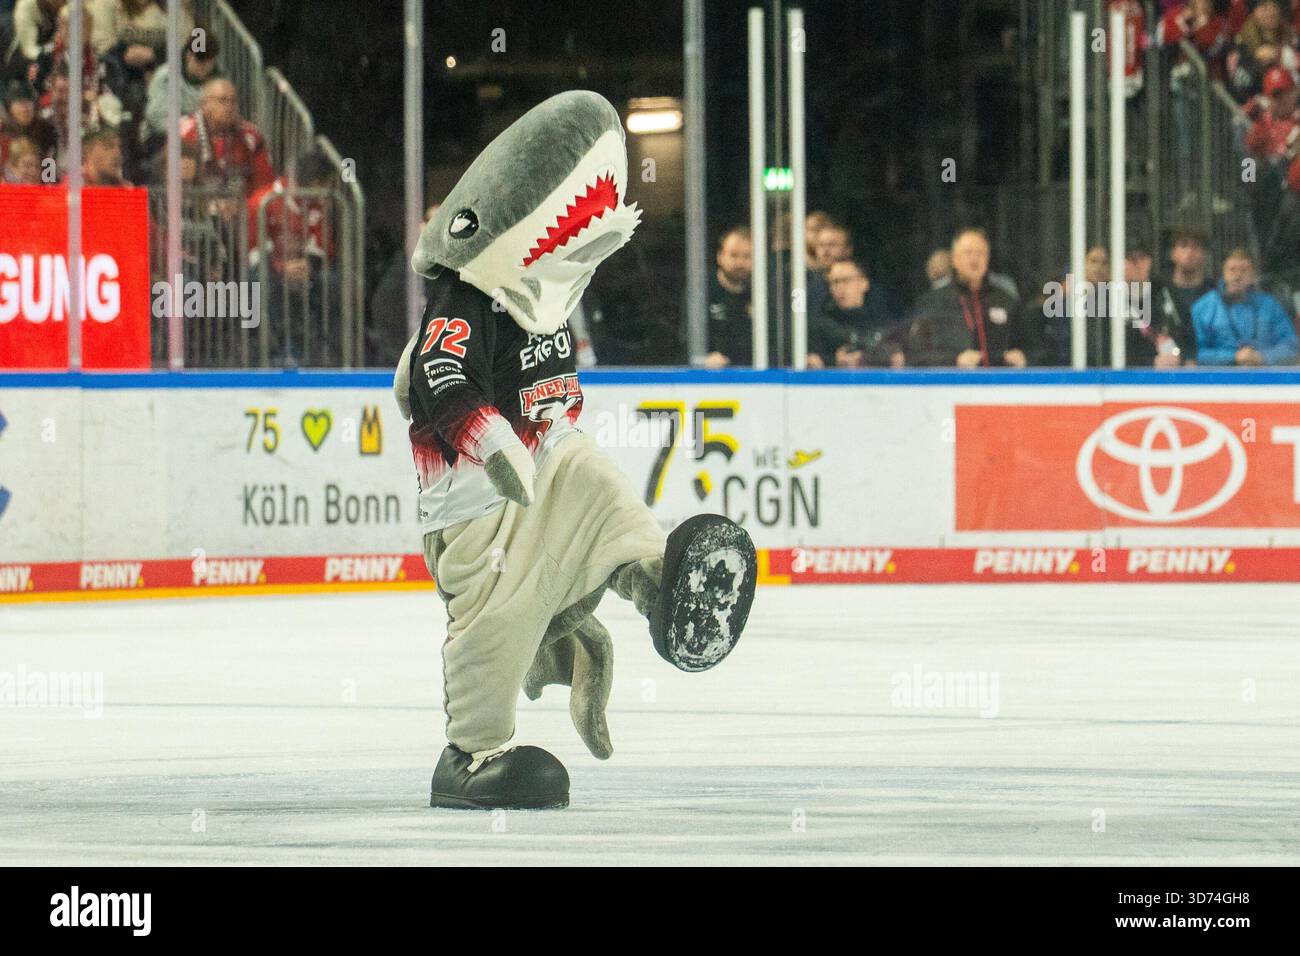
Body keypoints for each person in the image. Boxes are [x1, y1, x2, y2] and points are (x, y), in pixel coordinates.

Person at [395, 91, 755, 810]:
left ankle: (659, 587)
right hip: (475, 512)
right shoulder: (468, 300)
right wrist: (491, 438)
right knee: (499, 614)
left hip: (545, 468)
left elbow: (552, 390)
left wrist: (543, 438)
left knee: (595, 478)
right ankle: (471, 754)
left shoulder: (549, 300)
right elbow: (441, 379)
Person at [908, 227, 1029, 368]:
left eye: (980, 253)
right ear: (954, 259)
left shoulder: (1005, 300)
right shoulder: (932, 302)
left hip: (998, 386)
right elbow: (915, 353)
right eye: (968, 253)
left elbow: (1031, 346)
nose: (974, 259)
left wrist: (1022, 356)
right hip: (950, 385)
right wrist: (954, 361)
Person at [1193, 248, 1298, 366]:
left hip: (1265, 377)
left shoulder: (1270, 306)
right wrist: (1233, 357)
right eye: (1232, 270)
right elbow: (1195, 352)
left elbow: (1291, 345)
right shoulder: (1204, 307)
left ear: (1253, 276)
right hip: (1219, 380)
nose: (1237, 276)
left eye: (1244, 270)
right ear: (1223, 273)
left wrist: (1263, 357)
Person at [179, 76, 274, 197]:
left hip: (242, 209)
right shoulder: (183, 132)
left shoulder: (251, 136)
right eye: (222, 101)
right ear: (204, 104)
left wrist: (247, 207)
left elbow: (265, 184)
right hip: (195, 208)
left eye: (233, 101)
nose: (229, 107)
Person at [810, 257, 904, 367]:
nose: (839, 288)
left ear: (864, 283)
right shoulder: (821, 324)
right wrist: (834, 361)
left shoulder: (884, 319)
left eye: (845, 280)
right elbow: (813, 360)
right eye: (834, 282)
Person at [704, 225, 753, 368]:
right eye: (733, 255)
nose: (740, 263)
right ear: (720, 256)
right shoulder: (702, 291)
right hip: (710, 377)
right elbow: (685, 337)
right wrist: (704, 358)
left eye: (747, 256)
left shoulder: (759, 294)